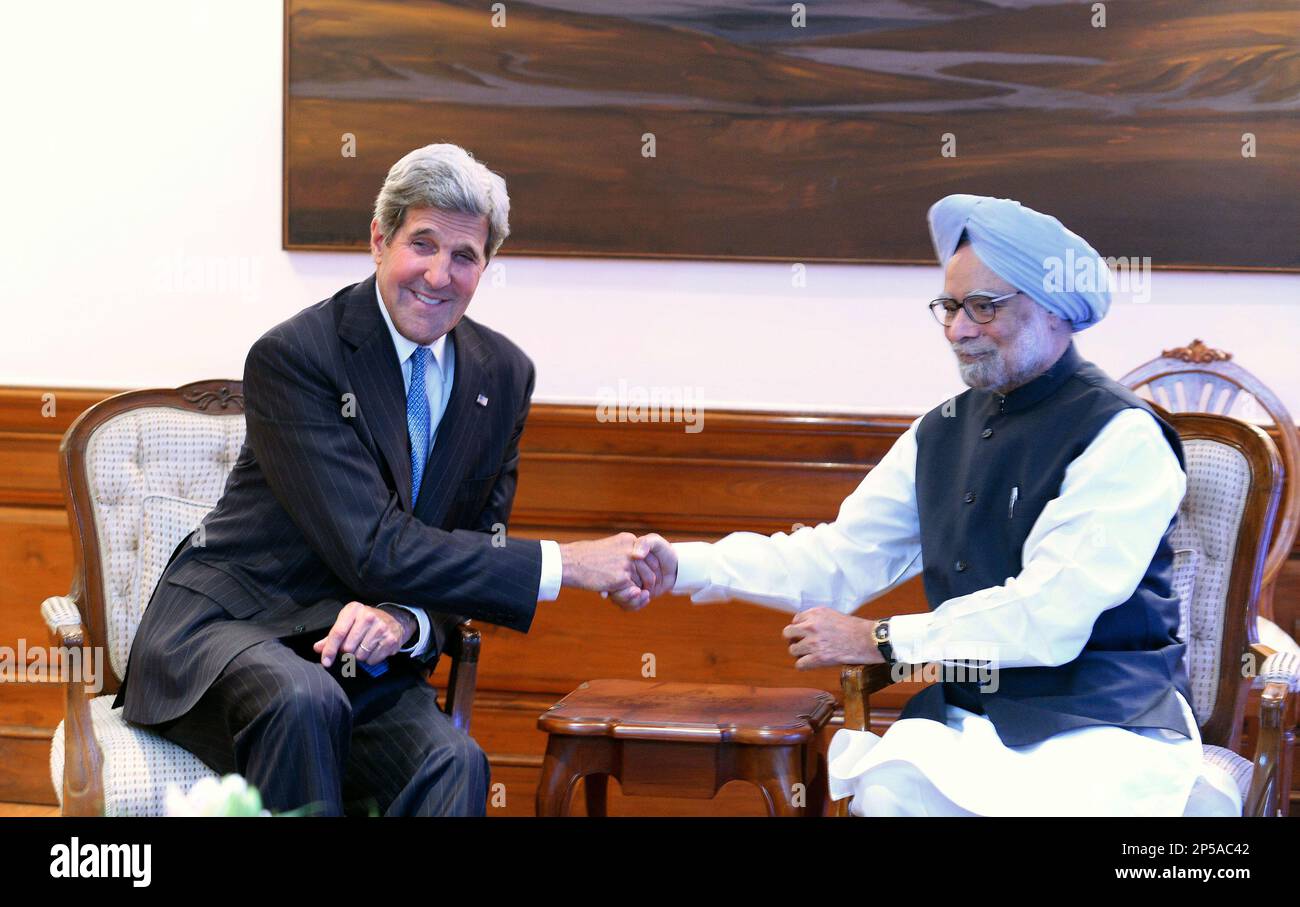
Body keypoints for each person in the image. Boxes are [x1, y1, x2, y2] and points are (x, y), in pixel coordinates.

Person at [633, 195, 1242, 816]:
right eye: (950, 306)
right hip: (970, 720)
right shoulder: (939, 430)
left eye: (984, 306)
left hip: (1104, 726)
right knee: (893, 789)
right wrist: (684, 566)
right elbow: (839, 559)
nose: (958, 330)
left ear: (1056, 309)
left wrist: (885, 640)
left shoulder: (1124, 437)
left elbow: (1052, 615)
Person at [113, 144, 658, 816]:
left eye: (465, 256)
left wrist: (406, 619)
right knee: (300, 699)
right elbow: (371, 545)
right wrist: (566, 564)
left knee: (455, 762)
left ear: (485, 265)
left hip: (360, 657)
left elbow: (472, 549)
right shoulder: (297, 358)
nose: (438, 273)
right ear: (379, 239)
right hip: (231, 629)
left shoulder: (502, 375)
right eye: (421, 243)